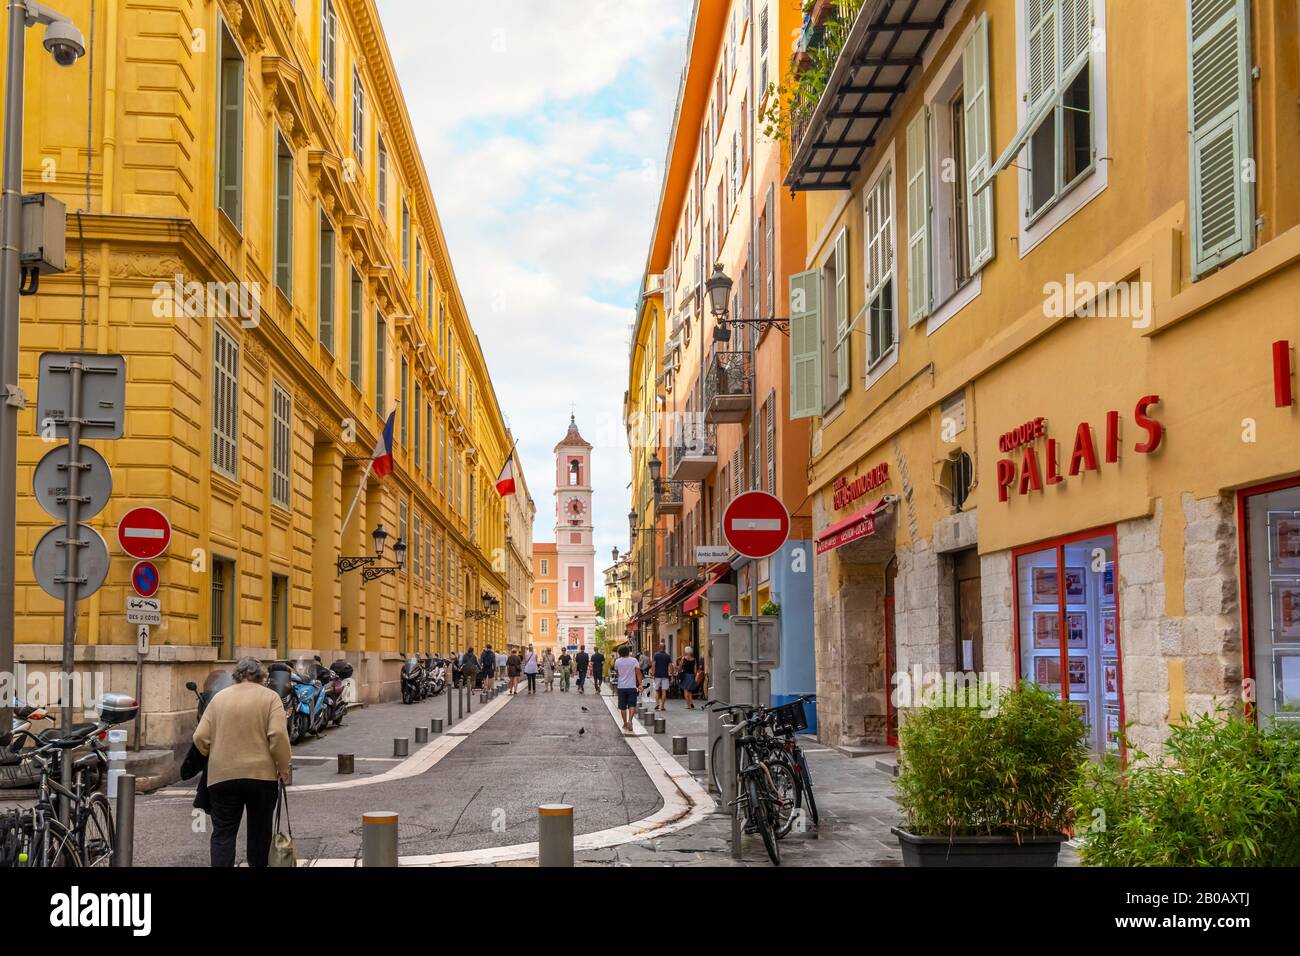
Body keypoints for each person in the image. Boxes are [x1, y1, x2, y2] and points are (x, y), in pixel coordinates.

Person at [193, 656, 292, 868]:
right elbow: (277, 735)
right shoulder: (270, 698)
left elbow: (200, 737)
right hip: (261, 777)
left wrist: (216, 753)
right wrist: (283, 767)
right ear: (260, 676)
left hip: (222, 777)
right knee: (259, 834)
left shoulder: (219, 698)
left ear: (237, 676)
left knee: (223, 834)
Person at [613, 645, 642, 734]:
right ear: (628, 652)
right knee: (632, 705)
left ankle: (625, 723)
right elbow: (638, 673)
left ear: (620, 653)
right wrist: (640, 684)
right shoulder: (634, 660)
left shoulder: (617, 661)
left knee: (622, 707)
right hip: (632, 686)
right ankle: (630, 720)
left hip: (621, 687)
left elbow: (617, 672)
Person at [652, 642, 673, 711]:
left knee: (657, 690)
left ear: (659, 647)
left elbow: (654, 665)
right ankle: (662, 706)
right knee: (664, 691)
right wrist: (672, 675)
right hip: (665, 676)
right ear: (665, 648)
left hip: (657, 675)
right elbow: (670, 666)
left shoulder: (656, 655)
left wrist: (653, 674)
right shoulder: (667, 656)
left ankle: (657, 704)